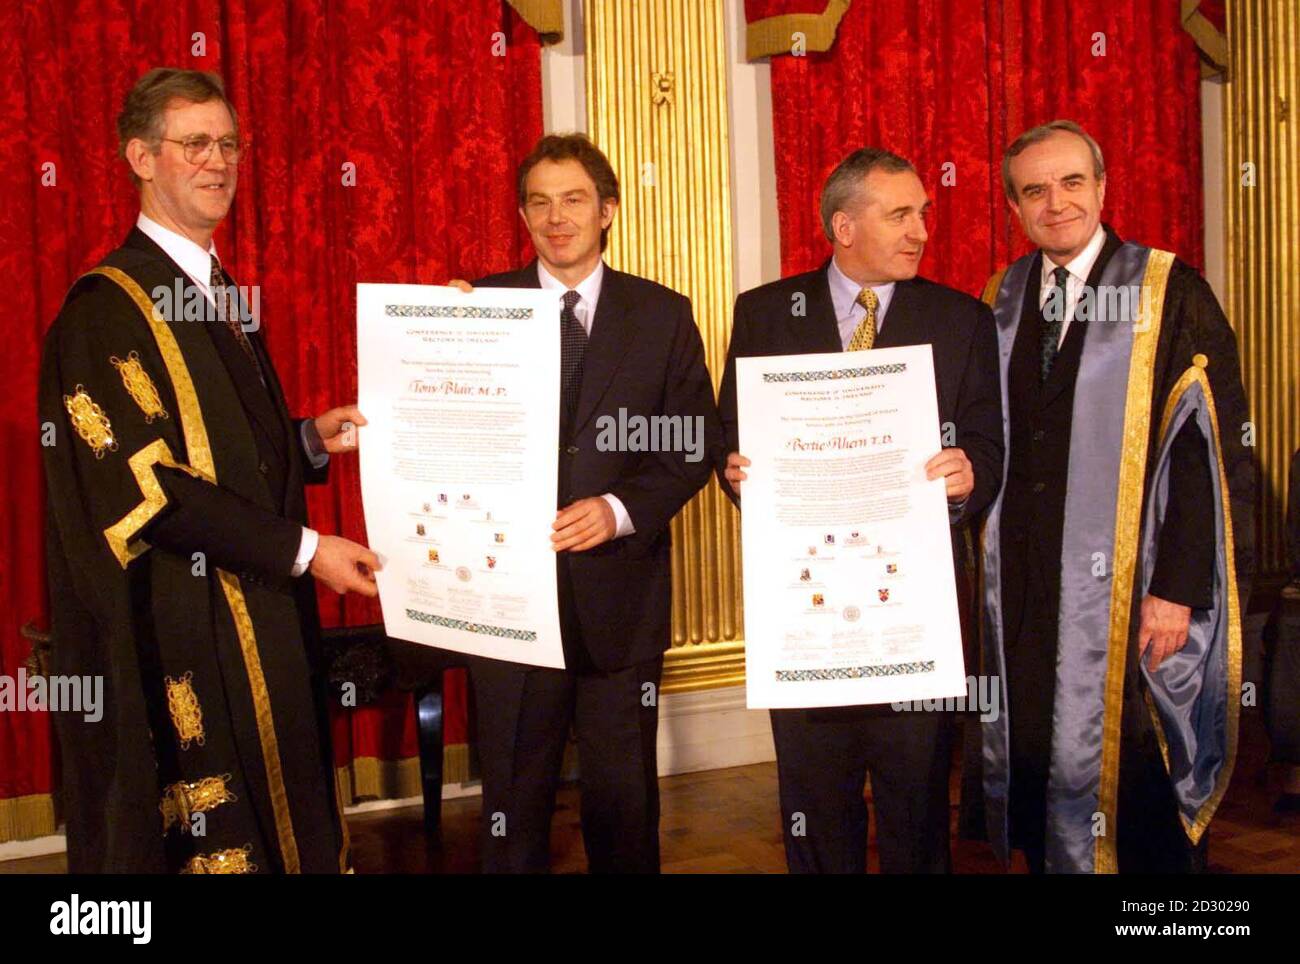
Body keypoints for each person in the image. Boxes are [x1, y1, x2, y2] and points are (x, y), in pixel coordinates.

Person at [39, 68, 380, 874]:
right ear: (142, 158)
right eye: (194, 143)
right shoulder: (105, 308)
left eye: (228, 144)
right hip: (182, 623)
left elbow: (212, 446)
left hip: (252, 607)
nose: (217, 161)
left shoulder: (211, 287)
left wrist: (306, 443)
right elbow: (152, 488)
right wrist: (308, 550)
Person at [717, 147, 1004, 873]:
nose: (920, 231)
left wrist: (970, 473)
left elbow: (989, 445)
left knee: (915, 812)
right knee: (815, 809)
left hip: (913, 613)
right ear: (843, 226)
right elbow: (728, 440)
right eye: (900, 214)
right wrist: (735, 469)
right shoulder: (764, 315)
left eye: (923, 214)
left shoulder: (962, 319)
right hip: (806, 615)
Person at [979, 119, 1254, 873]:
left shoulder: (1169, 290)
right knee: (1039, 766)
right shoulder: (1002, 297)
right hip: (1028, 593)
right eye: (1034, 190)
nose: (1056, 202)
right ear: (1015, 207)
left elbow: (1209, 453)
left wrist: (1175, 590)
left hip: (1130, 592)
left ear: (1102, 188)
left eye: (1072, 182)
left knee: (1140, 798)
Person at [450, 133, 724, 873]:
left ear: (607, 210)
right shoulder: (479, 306)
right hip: (508, 605)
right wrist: (432, 344)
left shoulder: (661, 314)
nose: (555, 217)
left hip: (620, 601)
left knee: (623, 804)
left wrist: (618, 509)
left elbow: (693, 444)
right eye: (538, 202)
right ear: (523, 214)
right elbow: (438, 429)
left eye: (573, 200)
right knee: (511, 801)